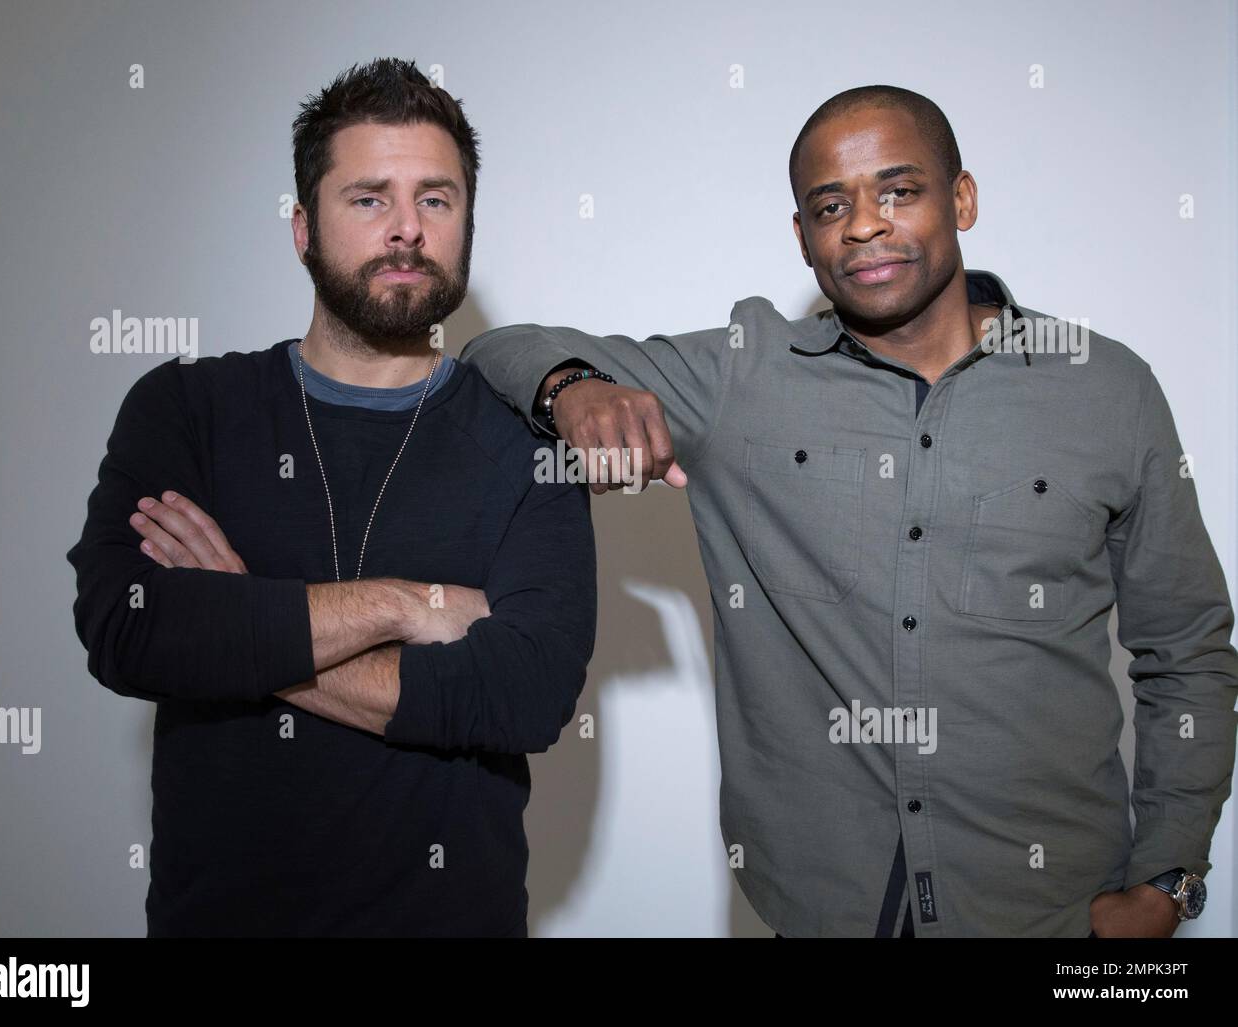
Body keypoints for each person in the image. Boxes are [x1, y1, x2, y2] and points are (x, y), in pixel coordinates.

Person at [460, 85, 1238, 937]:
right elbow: (497, 347)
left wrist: (1169, 882)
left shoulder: (1104, 387)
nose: (864, 224)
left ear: (963, 199)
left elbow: (1190, 649)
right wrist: (573, 388)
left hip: (1054, 912)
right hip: (824, 906)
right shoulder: (743, 378)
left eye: (898, 191)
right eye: (831, 205)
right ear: (802, 237)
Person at [65, 59, 596, 937]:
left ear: (467, 222)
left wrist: (238, 619)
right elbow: (129, 626)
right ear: (303, 228)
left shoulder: (530, 441)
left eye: (436, 199)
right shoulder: (189, 407)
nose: (405, 230)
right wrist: (403, 604)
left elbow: (525, 693)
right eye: (367, 199)